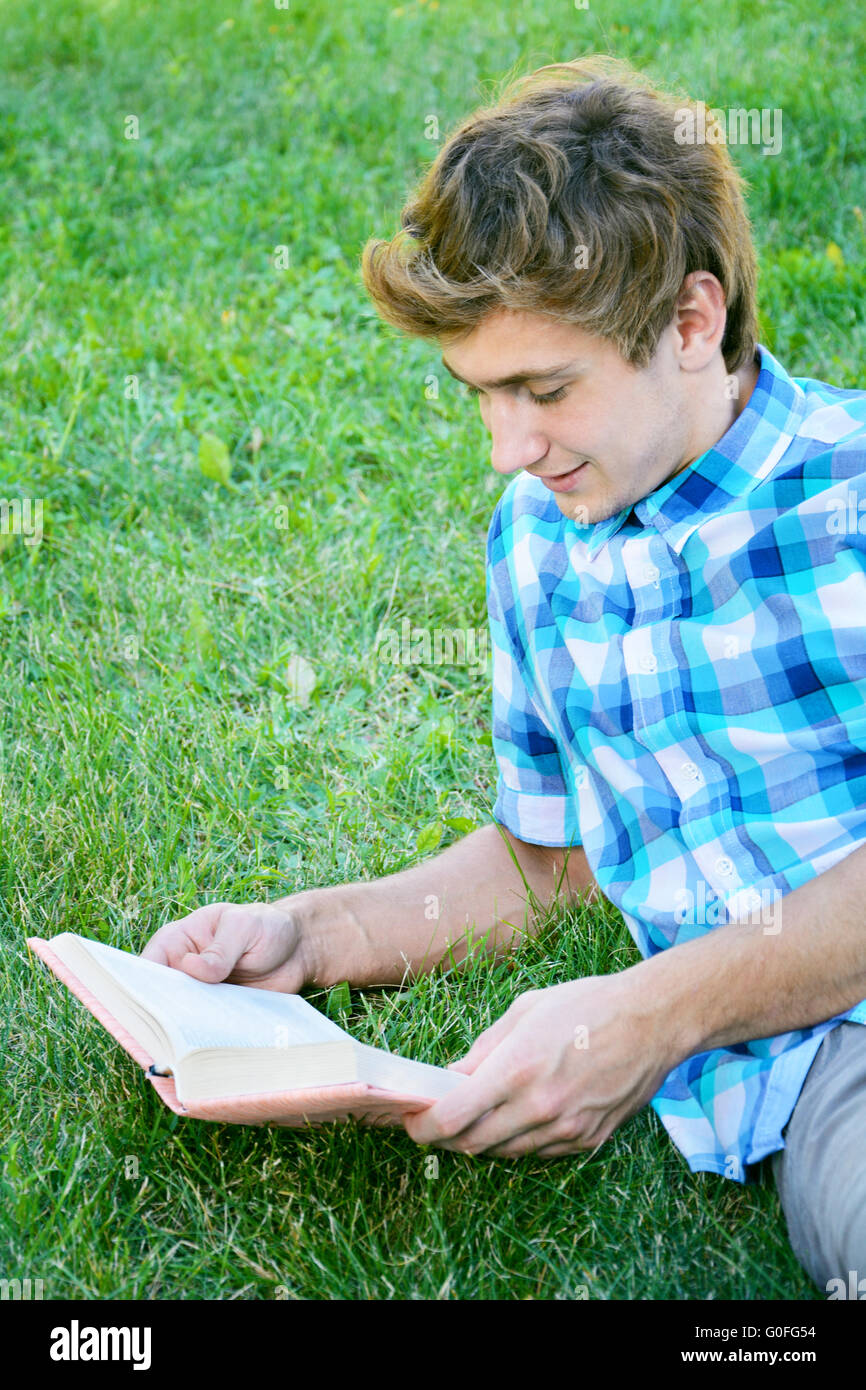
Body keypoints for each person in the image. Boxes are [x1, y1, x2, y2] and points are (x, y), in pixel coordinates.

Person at [143, 54, 866, 1293]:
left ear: (690, 324)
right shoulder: (537, 539)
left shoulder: (845, 501)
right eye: (479, 395)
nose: (508, 448)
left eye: (544, 389)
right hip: (815, 1101)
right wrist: (310, 936)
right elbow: (549, 859)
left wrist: (655, 1010)